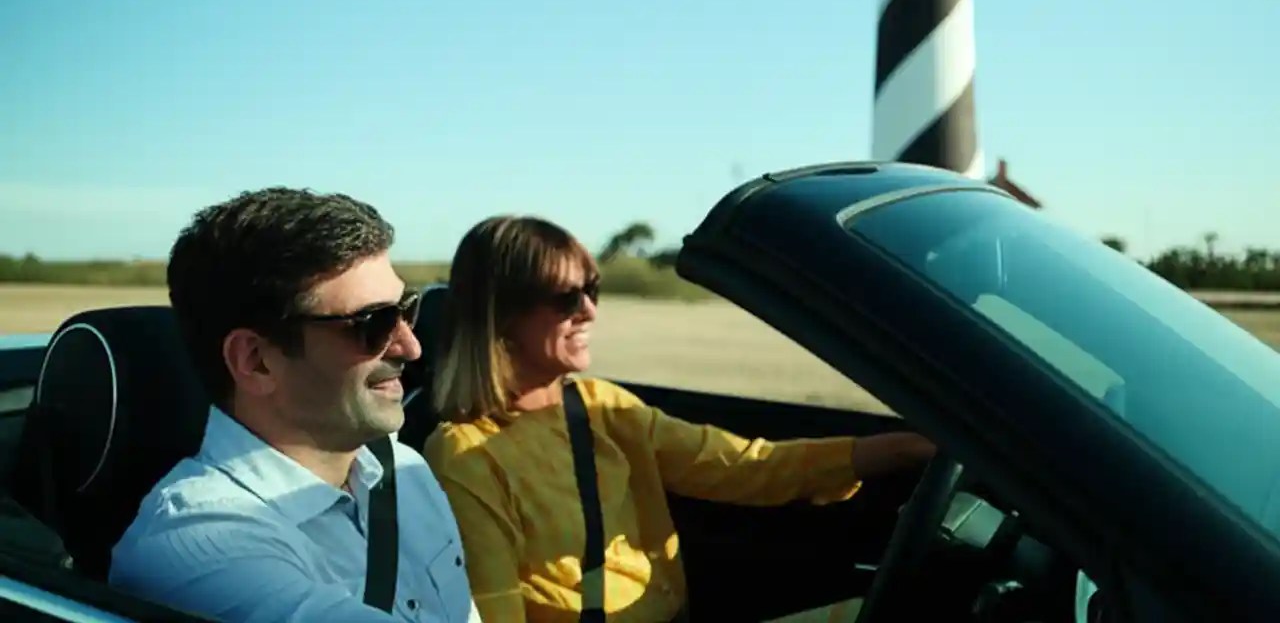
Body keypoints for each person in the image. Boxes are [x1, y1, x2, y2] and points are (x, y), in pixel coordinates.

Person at [421, 215, 936, 623]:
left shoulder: (602, 408)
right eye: (565, 299)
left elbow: (743, 466)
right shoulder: (466, 457)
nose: (590, 312)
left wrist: (899, 450)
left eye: (592, 290)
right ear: (500, 317)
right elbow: (493, 612)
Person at [109, 187, 482, 623]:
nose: (411, 347)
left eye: (407, 310)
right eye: (374, 324)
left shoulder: (407, 473)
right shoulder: (199, 547)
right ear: (256, 361)